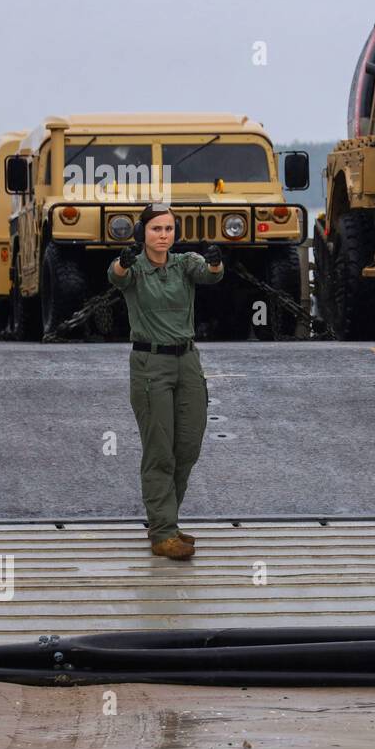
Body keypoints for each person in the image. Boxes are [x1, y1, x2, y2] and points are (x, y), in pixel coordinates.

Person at [109, 203, 224, 559]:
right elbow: (116, 276)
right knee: (159, 448)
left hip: (187, 361)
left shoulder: (184, 263)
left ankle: (166, 521)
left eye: (169, 229)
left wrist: (217, 261)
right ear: (142, 233)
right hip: (150, 362)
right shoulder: (135, 268)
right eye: (156, 229)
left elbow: (211, 275)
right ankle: (163, 532)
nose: (163, 235)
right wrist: (124, 262)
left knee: (187, 446)